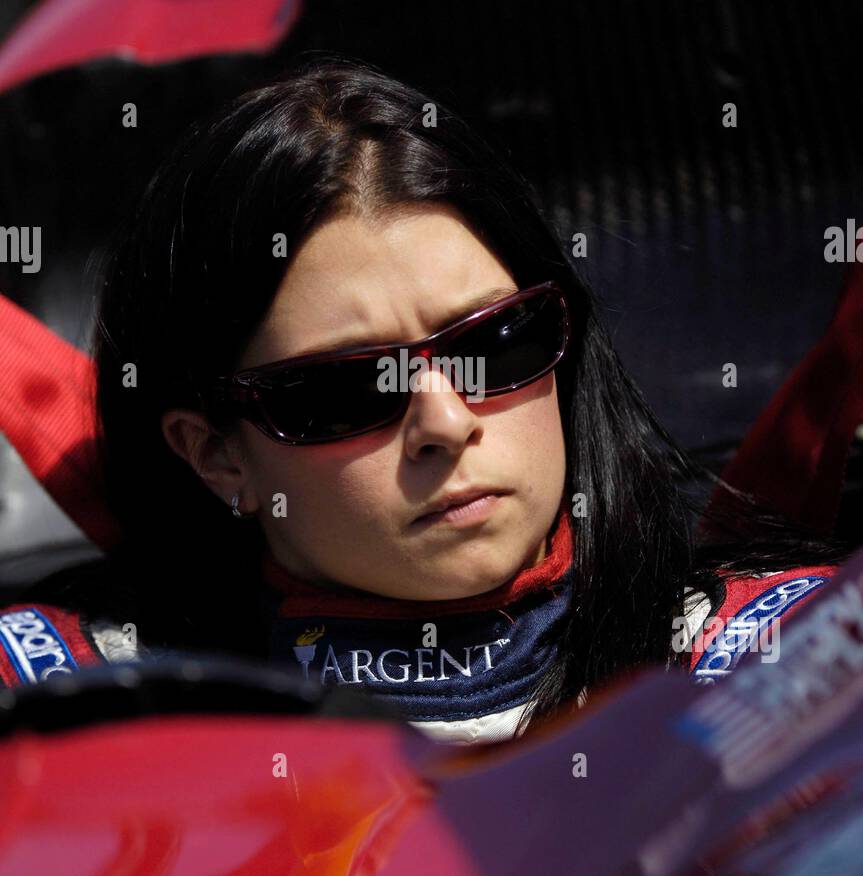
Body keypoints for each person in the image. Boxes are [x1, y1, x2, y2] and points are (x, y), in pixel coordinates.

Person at [0, 55, 846, 741]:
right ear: (218, 453)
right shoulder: (62, 707)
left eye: (495, 342)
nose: (445, 422)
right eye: (348, 387)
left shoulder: (792, 660)